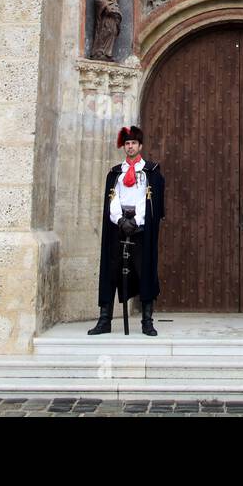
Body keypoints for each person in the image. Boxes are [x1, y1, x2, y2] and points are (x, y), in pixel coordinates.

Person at [89, 125, 166, 335]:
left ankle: (147, 322)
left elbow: (148, 200)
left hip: (141, 229)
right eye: (127, 143)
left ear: (140, 146)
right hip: (118, 227)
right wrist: (120, 220)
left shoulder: (151, 172)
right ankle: (104, 320)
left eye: (133, 143)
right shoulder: (116, 173)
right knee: (111, 271)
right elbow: (112, 198)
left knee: (145, 271)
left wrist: (136, 221)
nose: (130, 146)